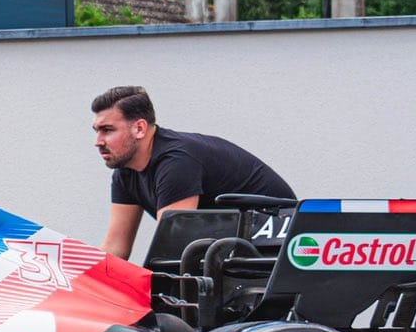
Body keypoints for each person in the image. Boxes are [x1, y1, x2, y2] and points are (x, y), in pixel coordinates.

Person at [91, 85, 295, 260]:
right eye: (96, 131)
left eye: (107, 130)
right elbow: (116, 249)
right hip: (230, 249)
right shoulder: (126, 172)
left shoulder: (177, 161)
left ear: (139, 128)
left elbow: (173, 246)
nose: (98, 141)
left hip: (274, 245)